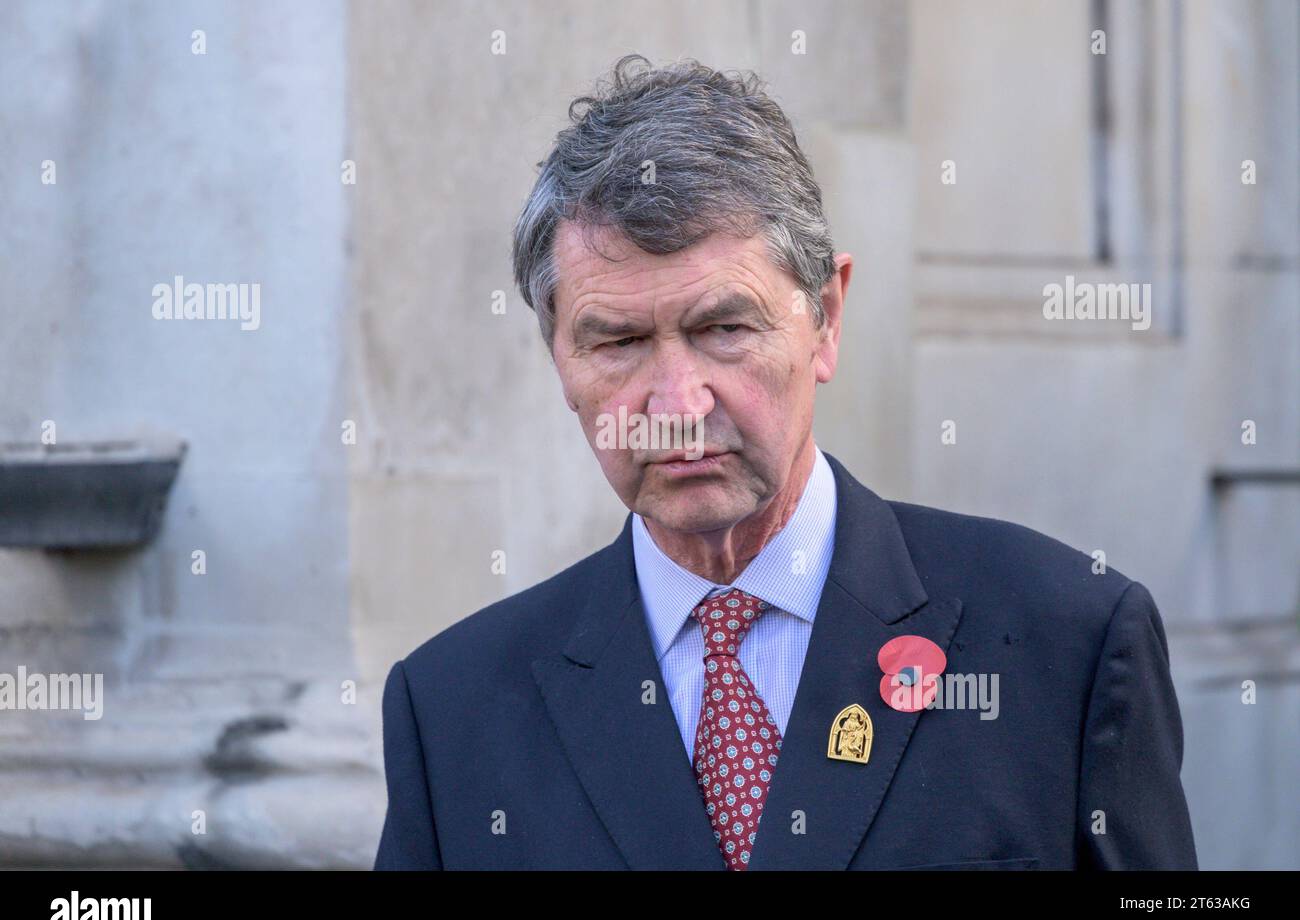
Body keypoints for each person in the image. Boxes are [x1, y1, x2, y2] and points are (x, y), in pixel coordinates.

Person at [373, 54, 1197, 871]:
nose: (677, 404)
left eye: (724, 329)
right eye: (618, 342)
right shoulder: (451, 711)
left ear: (825, 319)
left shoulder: (1066, 642)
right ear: (559, 358)